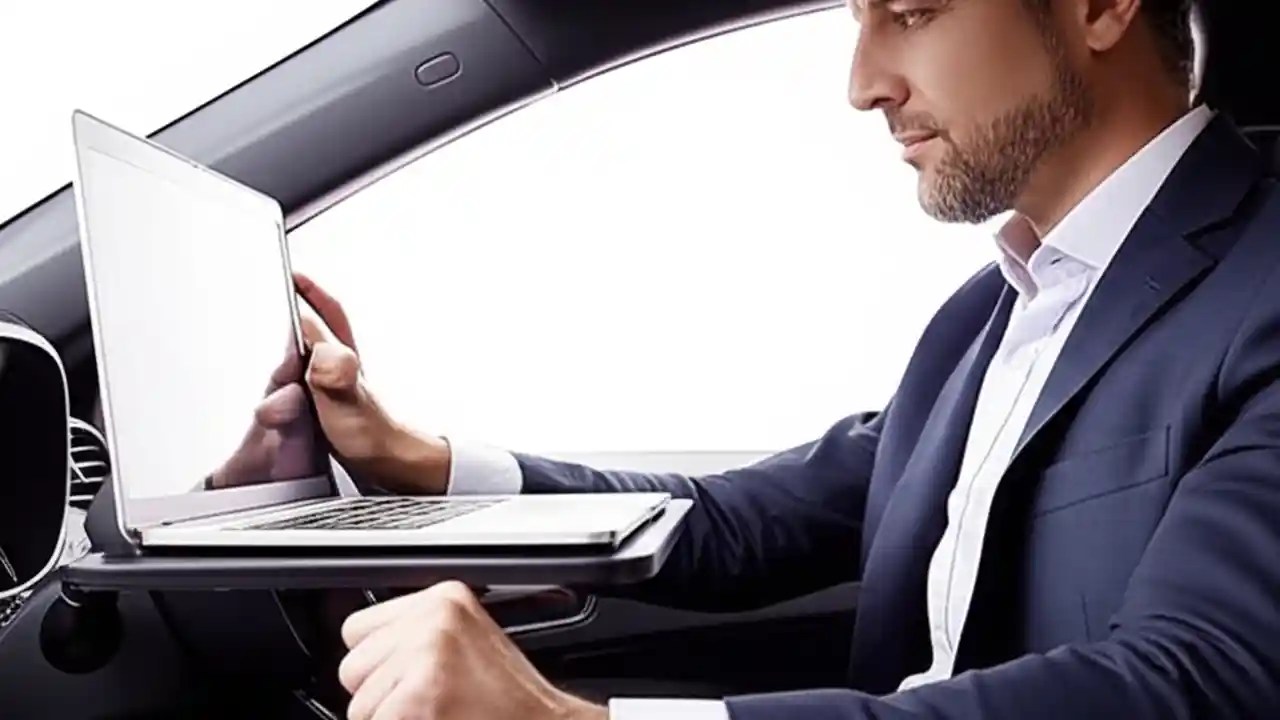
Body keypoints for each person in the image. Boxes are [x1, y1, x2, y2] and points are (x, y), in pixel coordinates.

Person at [247, 0, 1280, 717]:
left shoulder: (1260, 286)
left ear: (1098, 6)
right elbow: (750, 522)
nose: (862, 84)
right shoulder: (993, 312)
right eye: (855, 21)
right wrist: (414, 461)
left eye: (911, 14)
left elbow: (1195, 682)